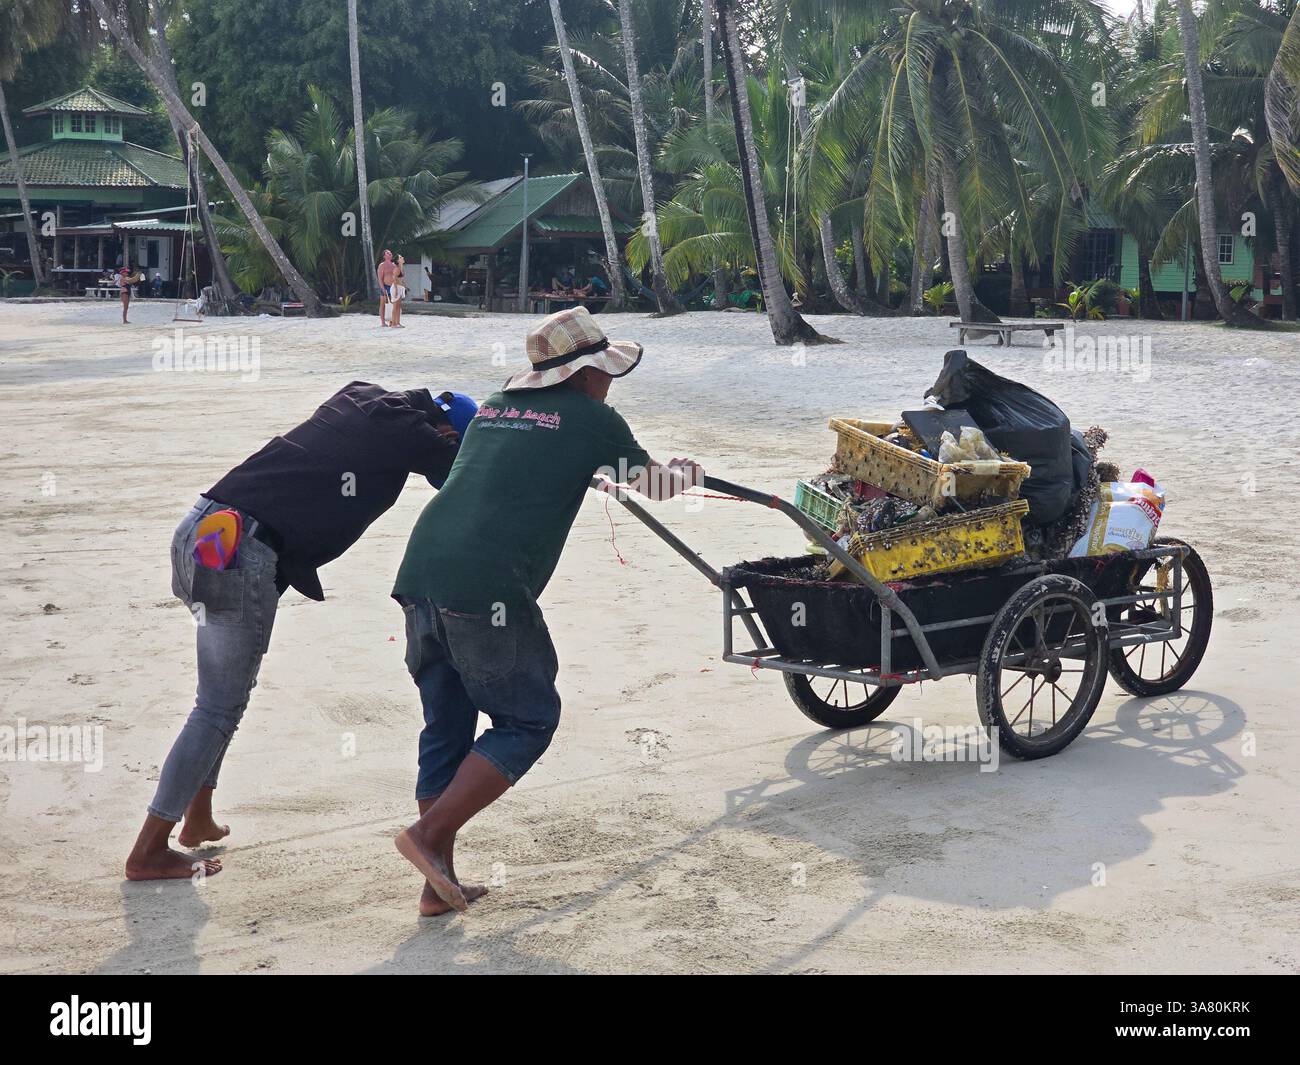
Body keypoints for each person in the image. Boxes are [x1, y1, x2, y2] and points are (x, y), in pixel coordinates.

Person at [391, 306, 703, 915]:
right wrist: (686, 472)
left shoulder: (495, 408)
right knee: (529, 720)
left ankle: (437, 885)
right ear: (586, 374)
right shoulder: (592, 418)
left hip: (421, 571)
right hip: (485, 587)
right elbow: (657, 485)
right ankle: (426, 838)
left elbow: (512, 472)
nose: (609, 382)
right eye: (607, 372)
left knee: (447, 724)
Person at [124, 384, 480, 881]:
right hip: (238, 551)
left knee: (224, 699)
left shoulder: (362, 397)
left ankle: (197, 816)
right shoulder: (410, 430)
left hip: (201, 531)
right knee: (218, 706)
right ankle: (148, 851)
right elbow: (472, 473)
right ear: (443, 430)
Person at [377, 249, 398, 326]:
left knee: (395, 304)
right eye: (388, 253)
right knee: (382, 304)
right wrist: (383, 288)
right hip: (385, 286)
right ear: (384, 256)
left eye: (390, 253)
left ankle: (392, 321)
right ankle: (383, 322)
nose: (390, 254)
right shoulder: (382, 265)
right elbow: (380, 278)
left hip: (393, 286)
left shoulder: (394, 265)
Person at [390, 255, 407, 328]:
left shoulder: (401, 268)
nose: (402, 258)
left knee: (398, 307)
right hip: (396, 288)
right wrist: (396, 290)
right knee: (395, 306)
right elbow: (394, 278)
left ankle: (398, 322)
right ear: (397, 261)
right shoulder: (396, 268)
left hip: (400, 288)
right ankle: (393, 323)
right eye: (400, 257)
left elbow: (401, 279)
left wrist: (405, 286)